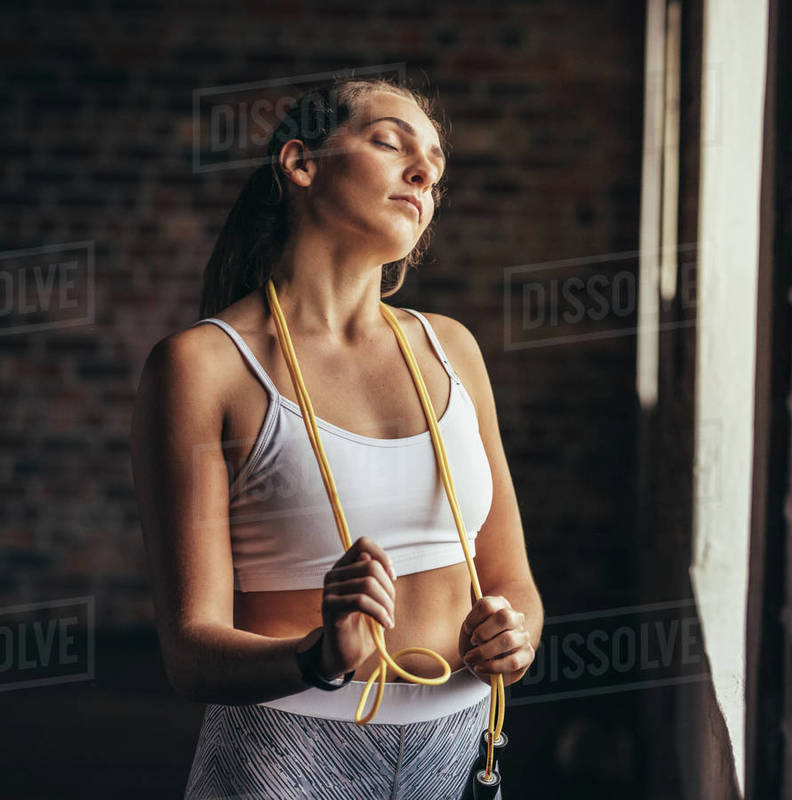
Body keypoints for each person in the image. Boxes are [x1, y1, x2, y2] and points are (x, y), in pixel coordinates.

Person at [130, 76, 542, 799]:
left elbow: (515, 585)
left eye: (436, 167)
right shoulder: (203, 367)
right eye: (390, 143)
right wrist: (316, 657)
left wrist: (515, 638)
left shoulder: (450, 348)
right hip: (284, 754)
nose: (423, 175)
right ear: (300, 163)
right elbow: (190, 655)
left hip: (459, 750)